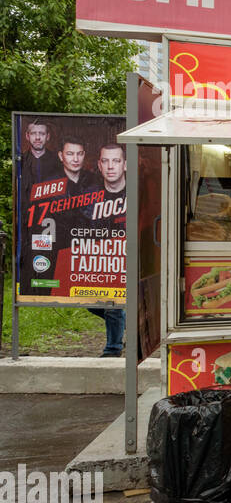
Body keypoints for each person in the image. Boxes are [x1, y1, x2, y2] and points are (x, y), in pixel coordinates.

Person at [86, 143, 128, 358]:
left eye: (116, 160)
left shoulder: (136, 191)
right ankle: (131, 322)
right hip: (99, 259)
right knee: (89, 303)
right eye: (106, 161)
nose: (111, 166)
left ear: (125, 164)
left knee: (113, 306)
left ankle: (112, 349)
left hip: (127, 260)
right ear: (99, 165)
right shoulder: (90, 195)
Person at [20, 120, 61, 185]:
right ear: (27, 136)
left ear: (47, 136)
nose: (37, 137)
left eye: (42, 133)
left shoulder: (58, 161)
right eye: (33, 133)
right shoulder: (21, 160)